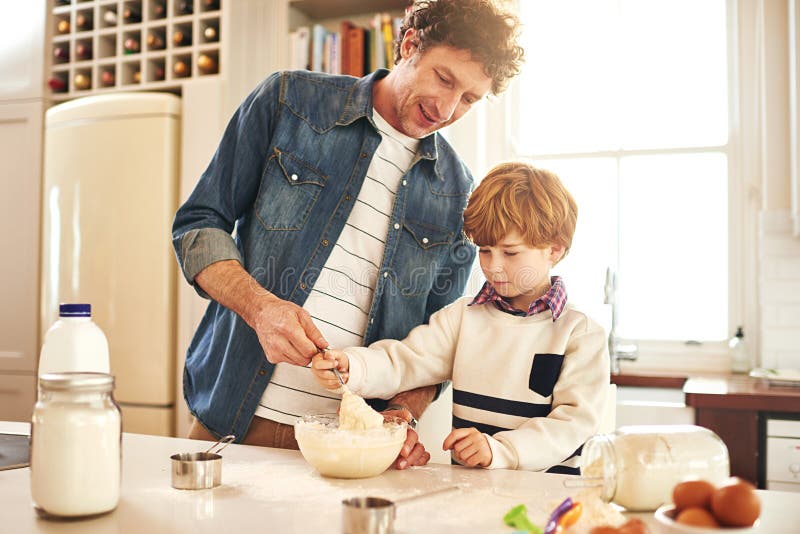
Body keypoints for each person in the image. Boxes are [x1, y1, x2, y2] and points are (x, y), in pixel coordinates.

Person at [171, 0, 524, 469]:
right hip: (229, 423)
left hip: (354, 448)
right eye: (443, 78)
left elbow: (438, 342)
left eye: (469, 99)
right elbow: (198, 225)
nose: (446, 108)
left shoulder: (459, 194)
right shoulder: (287, 101)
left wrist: (403, 414)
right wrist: (260, 309)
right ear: (409, 45)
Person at [311, 162, 610, 473]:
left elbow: (573, 425)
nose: (493, 267)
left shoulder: (580, 333)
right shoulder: (464, 318)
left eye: (510, 253)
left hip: (546, 500)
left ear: (555, 250)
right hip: (472, 494)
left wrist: (501, 451)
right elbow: (404, 362)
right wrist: (352, 367)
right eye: (485, 250)